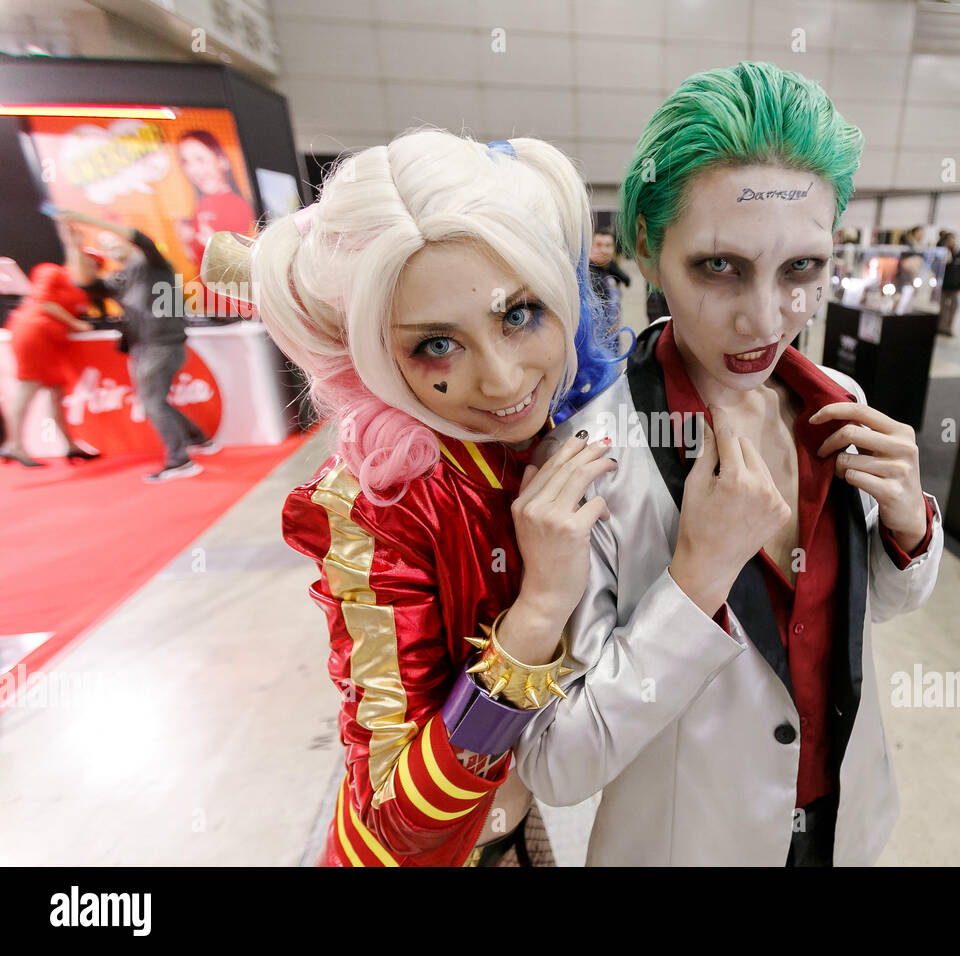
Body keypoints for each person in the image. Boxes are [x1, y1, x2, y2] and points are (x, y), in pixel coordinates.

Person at [515, 62, 943, 866]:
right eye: (720, 266)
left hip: (845, 819)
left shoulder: (838, 403)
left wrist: (909, 526)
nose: (765, 316)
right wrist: (696, 578)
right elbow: (557, 760)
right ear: (646, 247)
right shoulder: (591, 460)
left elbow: (872, 608)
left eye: (802, 269)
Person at [204, 129, 624, 866]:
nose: (499, 380)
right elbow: (398, 813)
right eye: (435, 344)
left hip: (518, 830)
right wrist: (538, 613)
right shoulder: (379, 508)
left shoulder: (557, 432)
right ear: (373, 354)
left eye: (519, 313)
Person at [56, 208, 216, 481]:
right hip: (144, 347)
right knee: (153, 401)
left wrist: (86, 219)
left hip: (162, 345)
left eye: (112, 240)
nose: (108, 247)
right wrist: (73, 244)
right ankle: (198, 438)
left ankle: (180, 461)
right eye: (103, 245)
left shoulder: (152, 263)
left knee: (152, 403)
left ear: (125, 240)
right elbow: (84, 282)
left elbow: (141, 238)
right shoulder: (119, 279)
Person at [0, 218, 102, 467]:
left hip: (53, 344)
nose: (91, 266)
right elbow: (44, 302)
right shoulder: (50, 271)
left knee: (55, 392)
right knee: (28, 387)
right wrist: (76, 324)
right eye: (88, 260)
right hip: (32, 334)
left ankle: (69, 444)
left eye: (96, 265)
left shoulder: (83, 292)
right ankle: (14, 444)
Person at [173, 130, 257, 270]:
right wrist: (186, 240)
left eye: (200, 159)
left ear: (222, 160)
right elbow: (197, 262)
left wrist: (214, 246)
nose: (193, 169)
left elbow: (239, 267)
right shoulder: (203, 203)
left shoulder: (236, 205)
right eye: (185, 162)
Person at [587, 226, 630, 322]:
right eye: (598, 245)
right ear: (590, 247)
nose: (604, 250)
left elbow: (627, 280)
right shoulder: (589, 275)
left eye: (608, 245)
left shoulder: (609, 268)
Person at [937, 231, 960, 336]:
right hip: (944, 284)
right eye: (948, 239)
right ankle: (940, 326)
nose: (951, 241)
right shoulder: (942, 252)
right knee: (943, 307)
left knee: (953, 307)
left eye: (952, 239)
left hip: (955, 285)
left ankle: (948, 327)